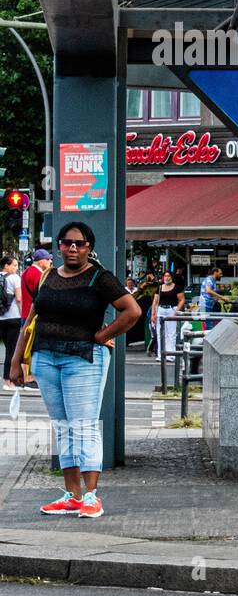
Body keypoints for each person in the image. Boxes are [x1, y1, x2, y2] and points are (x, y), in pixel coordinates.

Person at [7, 221, 140, 520]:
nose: (73, 248)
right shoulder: (48, 277)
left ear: (89, 248)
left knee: (84, 426)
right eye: (67, 243)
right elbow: (31, 319)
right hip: (45, 358)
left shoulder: (99, 278)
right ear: (59, 246)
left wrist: (101, 336)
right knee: (63, 427)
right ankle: (72, 496)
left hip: (83, 359)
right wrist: (16, 362)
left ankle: (92, 496)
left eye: (79, 244)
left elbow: (132, 311)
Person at [18, 248, 52, 388]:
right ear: (41, 260)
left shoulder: (25, 272)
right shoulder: (38, 274)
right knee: (32, 346)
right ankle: (29, 378)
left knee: (25, 344)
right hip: (33, 315)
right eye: (48, 259)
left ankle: (25, 377)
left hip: (25, 314)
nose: (50, 261)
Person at [150, 271, 185, 363]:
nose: (167, 277)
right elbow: (155, 301)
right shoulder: (160, 288)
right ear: (163, 277)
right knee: (159, 333)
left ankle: (171, 355)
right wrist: (153, 314)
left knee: (171, 333)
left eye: (169, 276)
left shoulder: (177, 288)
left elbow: (182, 300)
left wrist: (176, 311)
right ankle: (160, 354)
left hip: (171, 310)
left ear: (172, 277)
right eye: (165, 276)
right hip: (161, 310)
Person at [1, 255, 20, 391]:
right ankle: (8, 382)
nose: (16, 268)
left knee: (7, 347)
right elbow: (19, 298)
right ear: (6, 266)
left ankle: (6, 380)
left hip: (1, 318)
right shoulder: (14, 278)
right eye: (14, 265)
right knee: (11, 350)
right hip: (13, 317)